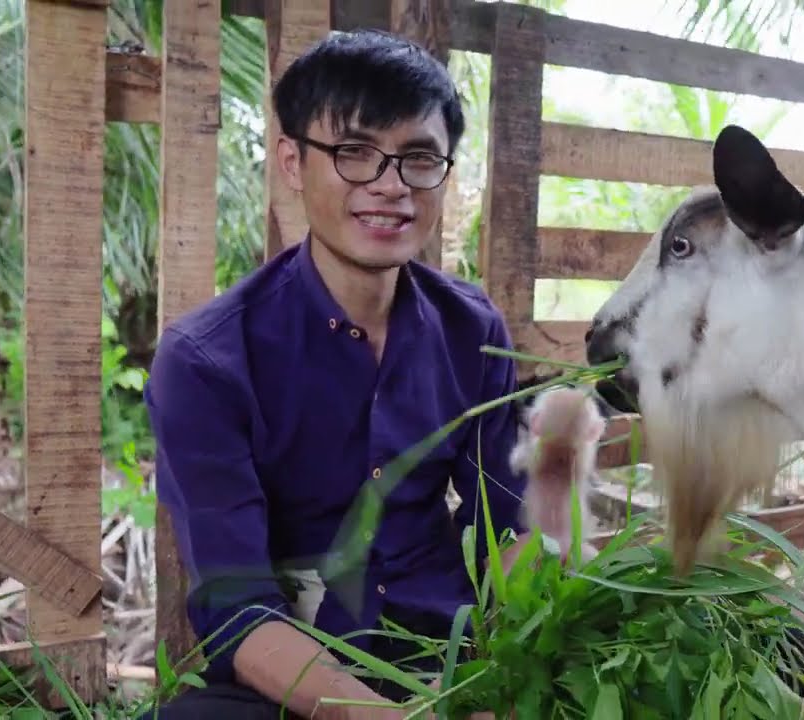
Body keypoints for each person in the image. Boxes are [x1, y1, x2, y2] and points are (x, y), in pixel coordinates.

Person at [138, 29, 553, 719]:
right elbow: (237, 610)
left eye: (418, 159)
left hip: (453, 655)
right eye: (354, 153)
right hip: (297, 681)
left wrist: (507, 669)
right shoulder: (205, 361)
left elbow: (514, 528)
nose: (390, 187)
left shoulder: (471, 329)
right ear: (293, 162)